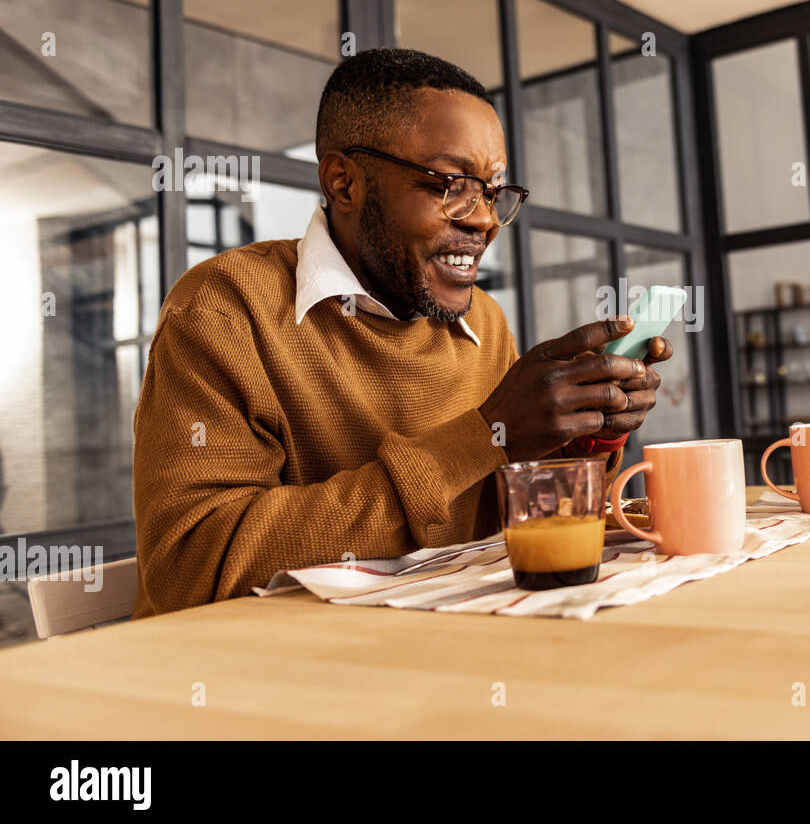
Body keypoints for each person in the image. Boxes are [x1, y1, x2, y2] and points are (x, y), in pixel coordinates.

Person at [132, 48, 671, 617]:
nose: (484, 219)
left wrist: (587, 432)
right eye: (451, 184)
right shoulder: (226, 309)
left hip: (438, 650)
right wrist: (486, 434)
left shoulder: (483, 322)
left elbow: (498, 526)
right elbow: (190, 568)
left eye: (492, 190)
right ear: (344, 183)